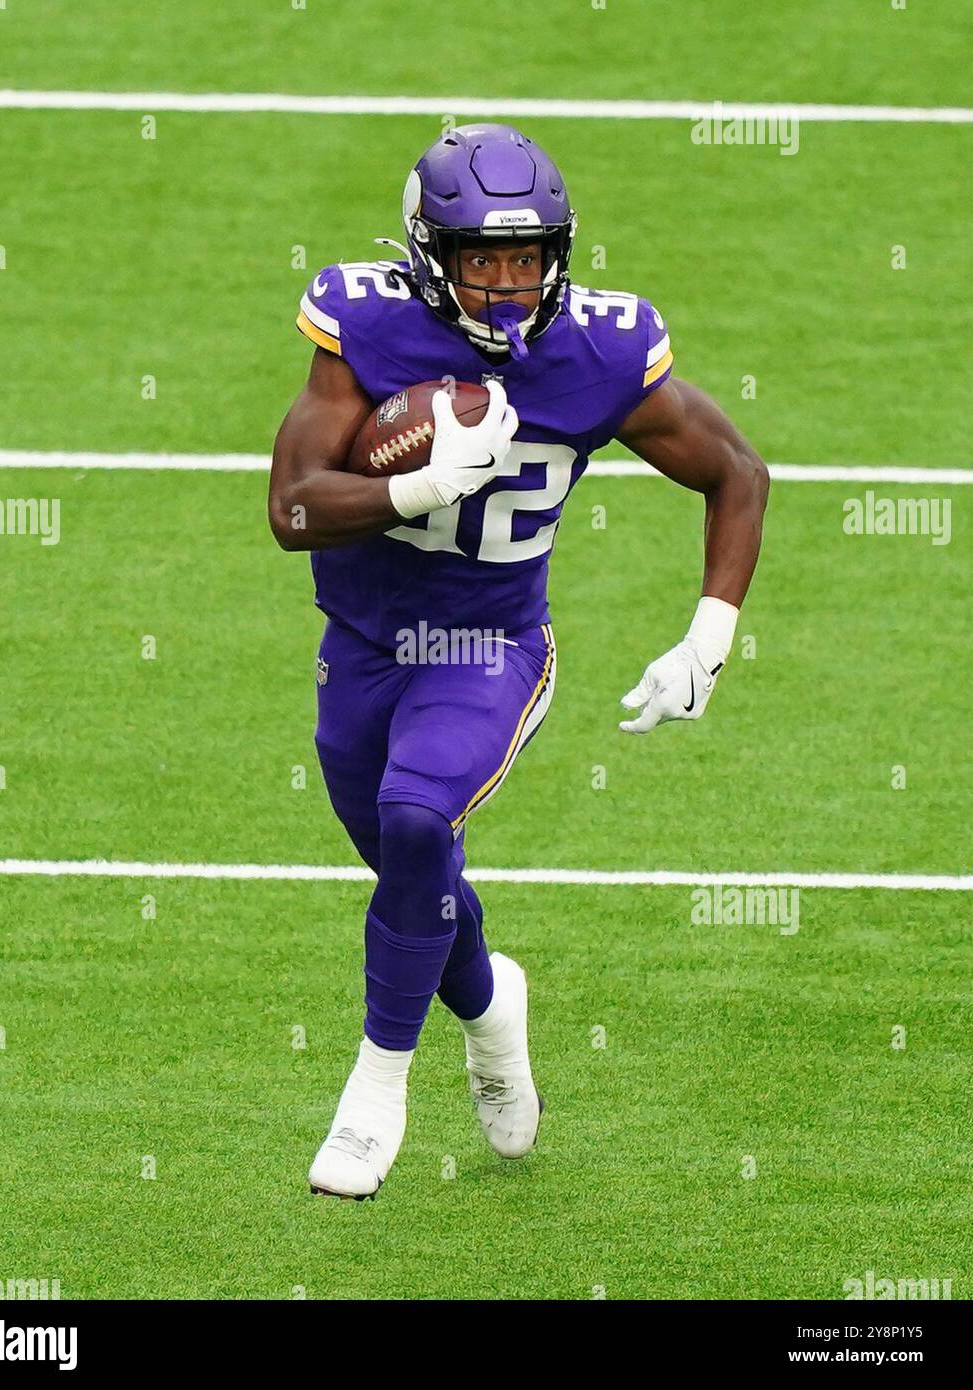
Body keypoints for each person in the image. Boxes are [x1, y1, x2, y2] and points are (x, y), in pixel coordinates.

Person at [268, 123, 769, 1199]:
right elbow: (293, 506)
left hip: (494, 644)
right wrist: (419, 484)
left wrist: (709, 637)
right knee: (413, 863)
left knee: (416, 819)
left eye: (528, 258)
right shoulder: (366, 325)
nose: (507, 285)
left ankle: (376, 1084)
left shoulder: (599, 348)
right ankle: (493, 1009)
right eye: (482, 260)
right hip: (361, 644)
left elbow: (736, 471)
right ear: (427, 256)